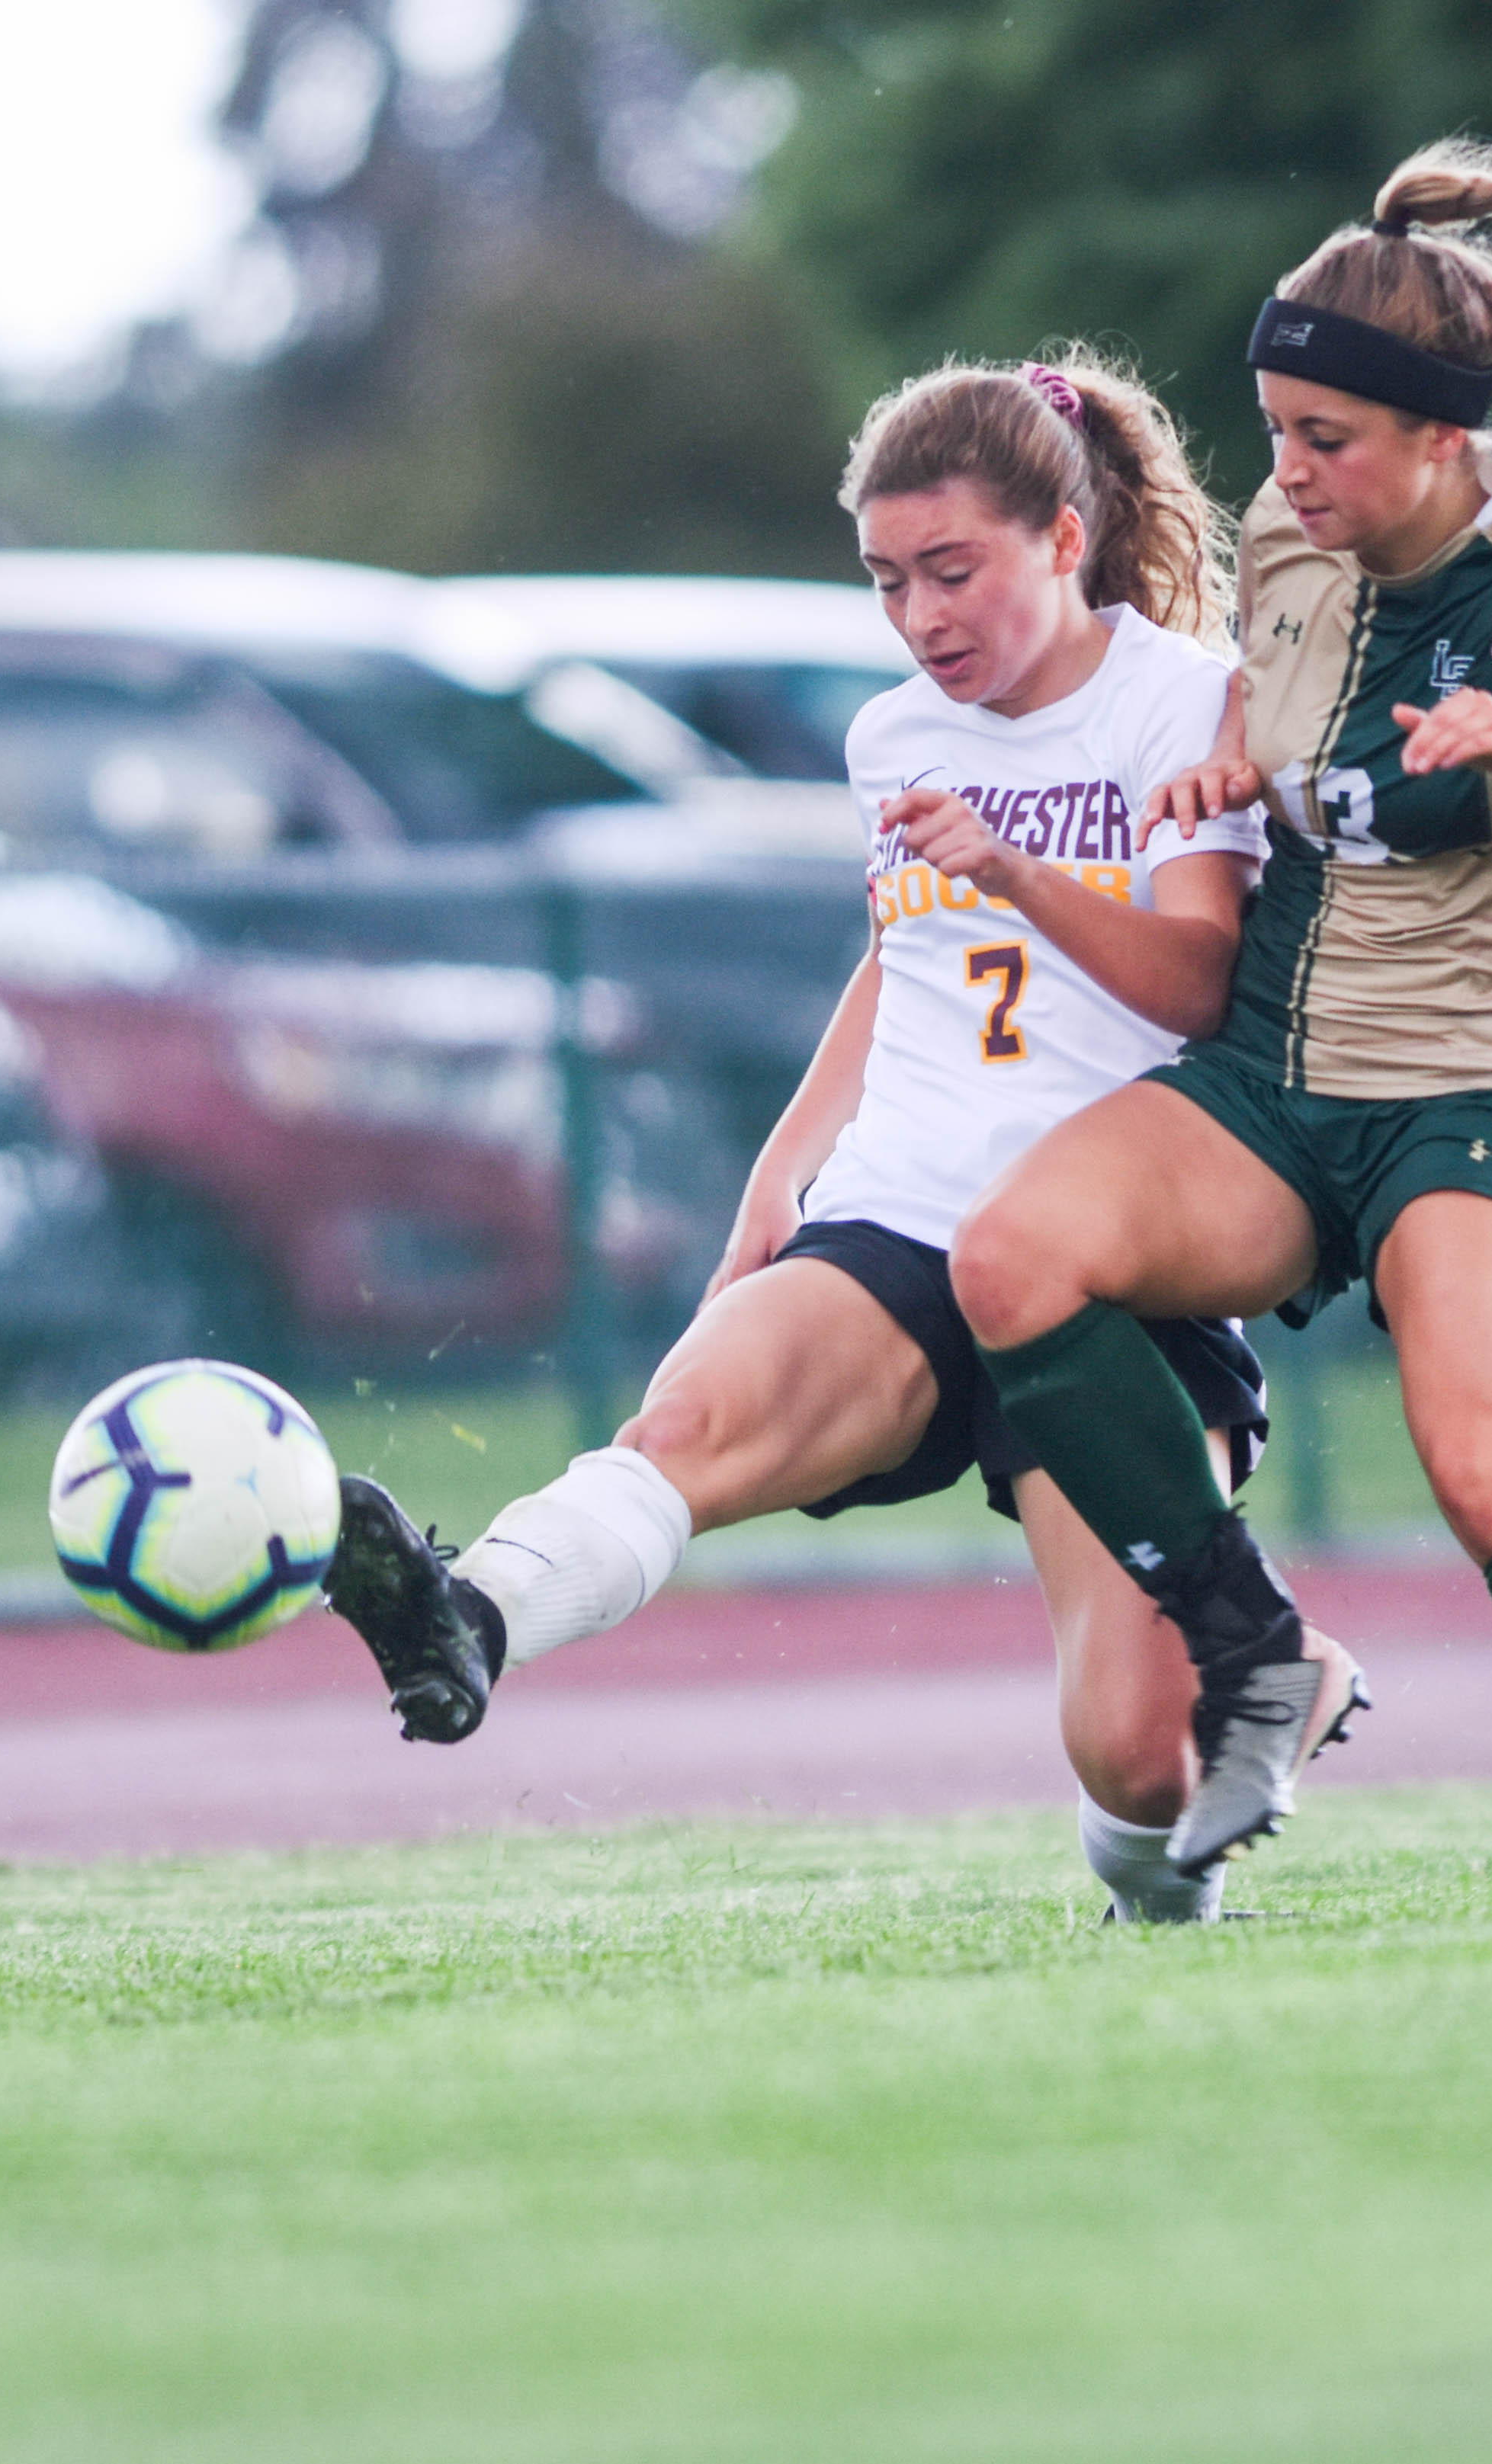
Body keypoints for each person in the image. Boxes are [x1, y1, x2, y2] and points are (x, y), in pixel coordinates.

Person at [322, 350, 1359, 1924]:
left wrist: (1013, 868)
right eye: (886, 583)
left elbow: (1197, 982)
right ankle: (465, 1618)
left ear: (1062, 541)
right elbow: (905, 955)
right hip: (905, 1218)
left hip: (1108, 1259)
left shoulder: (1181, 702)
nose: (920, 618)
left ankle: (1177, 1844)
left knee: (1139, 1754)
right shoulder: (894, 737)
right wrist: (780, 1173)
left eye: (952, 571)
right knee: (683, 1433)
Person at [946, 141, 1492, 1896]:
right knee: (1009, 1259)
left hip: (1473, 1085)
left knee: (1485, 1464)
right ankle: (1253, 1643)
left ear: (1437, 436)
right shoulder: (1284, 535)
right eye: (1274, 429)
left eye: (1324, 437)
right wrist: (1221, 761)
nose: (1285, 470)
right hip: (1273, 1079)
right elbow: (1266, 720)